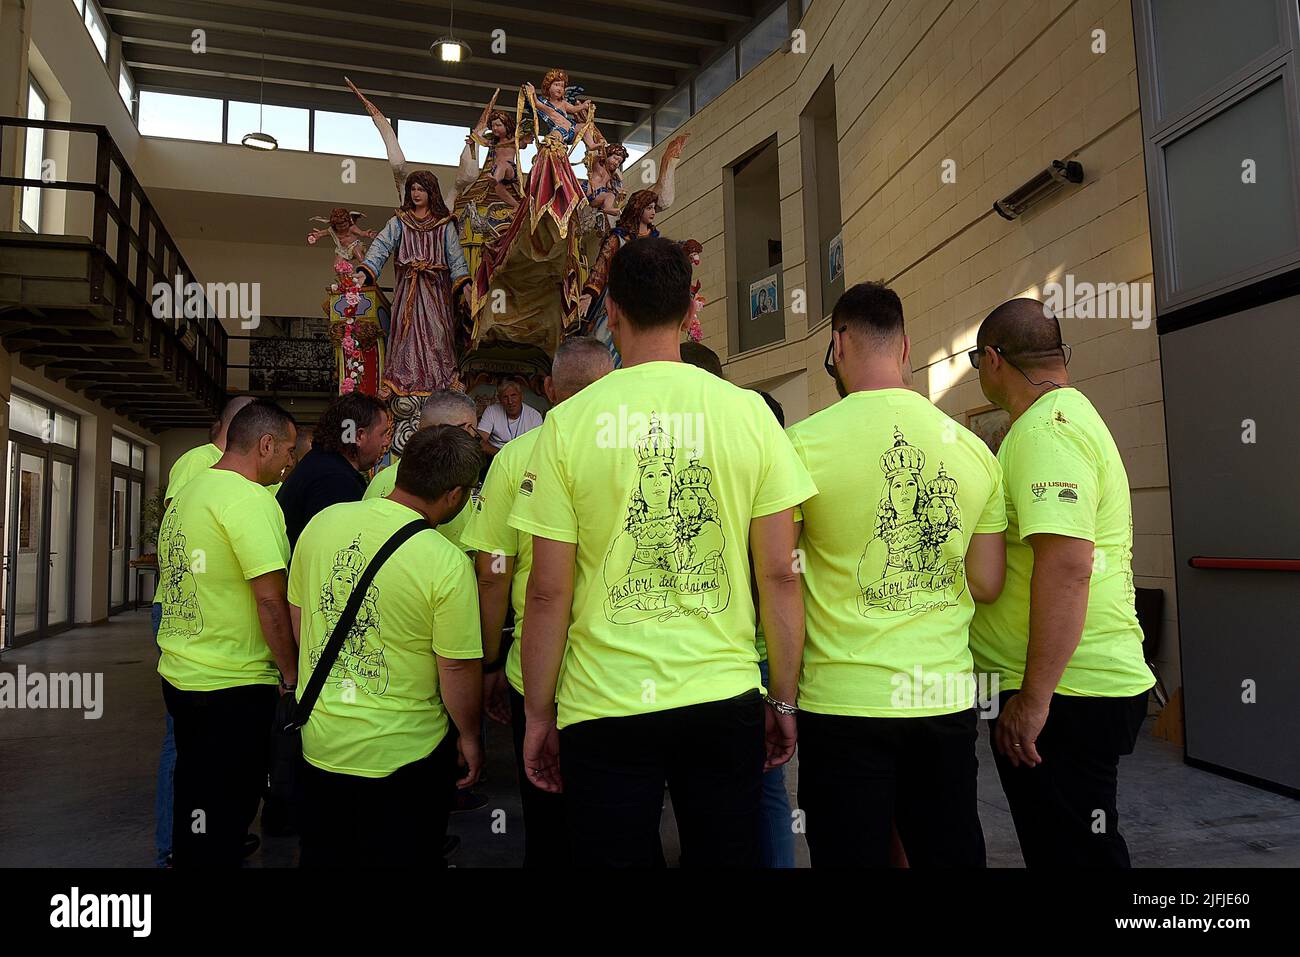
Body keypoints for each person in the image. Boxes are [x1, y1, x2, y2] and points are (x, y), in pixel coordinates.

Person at [508, 238, 817, 867]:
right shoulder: (749, 414)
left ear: (612, 312)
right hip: (721, 695)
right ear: (690, 309)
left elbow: (547, 591)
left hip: (604, 702)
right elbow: (781, 575)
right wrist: (782, 698)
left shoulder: (568, 423)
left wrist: (538, 713)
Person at [787, 282, 1008, 868]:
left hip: (843, 702)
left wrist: (782, 700)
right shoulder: (973, 450)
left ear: (837, 346)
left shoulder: (801, 446)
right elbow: (986, 582)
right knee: (949, 851)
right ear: (906, 347)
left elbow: (780, 578)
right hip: (943, 696)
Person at [969, 297, 1155, 868]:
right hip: (1071, 688)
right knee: (1070, 845)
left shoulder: (1047, 432)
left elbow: (1068, 566)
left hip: (1066, 695)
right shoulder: (1067, 419)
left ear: (993, 360)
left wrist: (1033, 699)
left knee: (1075, 854)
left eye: (976, 361)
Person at [289, 426, 486, 868]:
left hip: (321, 740)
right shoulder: (446, 563)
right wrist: (470, 736)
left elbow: (299, 620)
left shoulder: (323, 524)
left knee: (323, 857)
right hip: (406, 755)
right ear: (454, 495)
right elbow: (455, 669)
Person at [461, 337, 614, 867]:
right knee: (620, 825)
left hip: (540, 668)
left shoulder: (519, 456)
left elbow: (493, 572)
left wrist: (490, 661)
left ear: (548, 391)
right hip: (619, 671)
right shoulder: (634, 442)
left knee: (548, 822)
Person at [156, 400, 298, 867]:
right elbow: (270, 600)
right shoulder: (250, 500)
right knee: (232, 804)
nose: (290, 463)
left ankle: (190, 854)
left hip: (181, 672)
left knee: (195, 789)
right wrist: (291, 672)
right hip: (231, 683)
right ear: (265, 445)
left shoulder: (192, 489)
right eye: (289, 450)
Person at [152, 393, 255, 868]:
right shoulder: (203, 462)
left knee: (209, 748)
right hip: (188, 608)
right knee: (185, 742)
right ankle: (176, 842)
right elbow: (179, 530)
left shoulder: (239, 472)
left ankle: (214, 832)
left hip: (217, 611)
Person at [366, 390, 481, 550]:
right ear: (466, 430)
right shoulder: (453, 486)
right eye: (474, 433)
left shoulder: (381, 478)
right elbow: (464, 554)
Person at [277, 392, 391, 549]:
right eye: (383, 433)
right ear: (359, 436)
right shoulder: (334, 481)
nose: (386, 442)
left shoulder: (322, 464)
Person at [477, 378, 542, 459]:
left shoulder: (535, 416)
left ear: (521, 396)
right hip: (495, 457)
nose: (510, 401)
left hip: (523, 458)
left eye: (513, 395)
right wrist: (504, 456)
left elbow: (537, 447)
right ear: (499, 399)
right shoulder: (491, 411)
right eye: (505, 397)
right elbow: (480, 442)